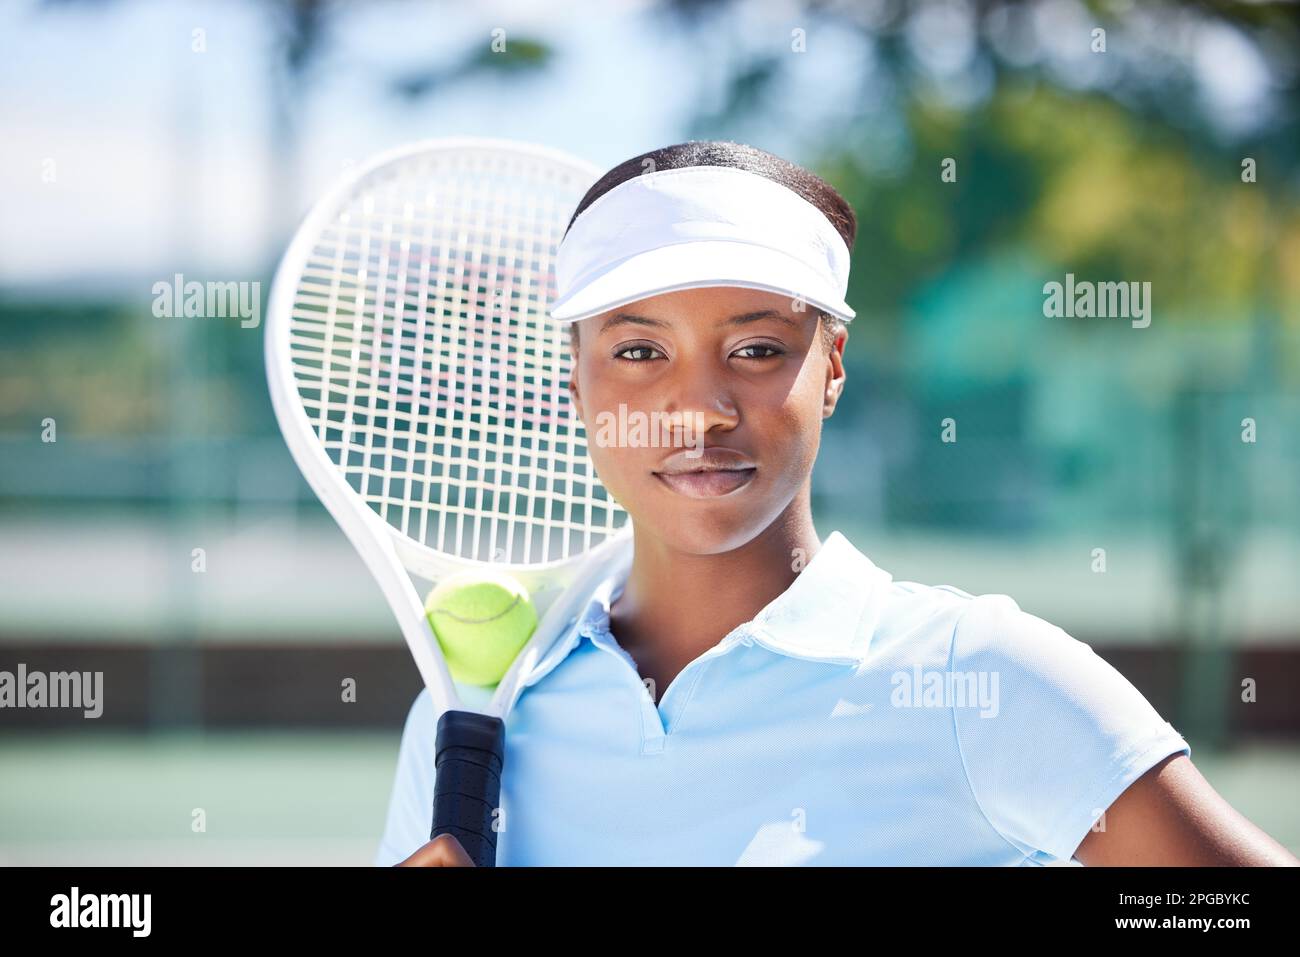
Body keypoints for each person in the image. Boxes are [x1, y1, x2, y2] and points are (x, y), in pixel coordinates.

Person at [378, 140, 1298, 867]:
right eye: (639, 351)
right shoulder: (476, 710)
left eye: (756, 349)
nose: (700, 408)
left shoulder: (977, 673)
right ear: (574, 382)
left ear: (834, 371)